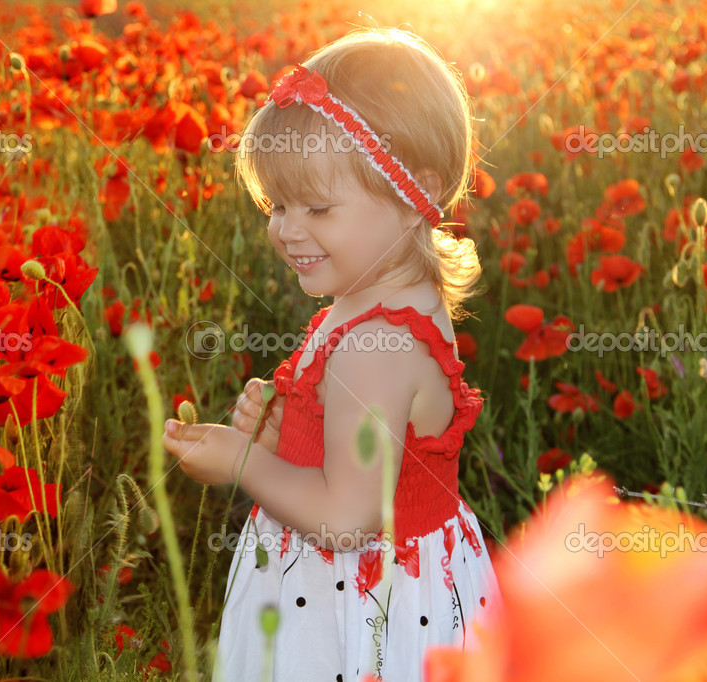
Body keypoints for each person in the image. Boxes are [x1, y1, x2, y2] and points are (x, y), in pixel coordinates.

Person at [163, 26, 500, 682]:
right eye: (279, 204)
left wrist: (242, 461)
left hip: (357, 600)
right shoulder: (385, 295)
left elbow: (346, 520)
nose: (287, 229)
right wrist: (288, 423)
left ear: (413, 197)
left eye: (317, 207)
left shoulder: (376, 346)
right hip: (400, 583)